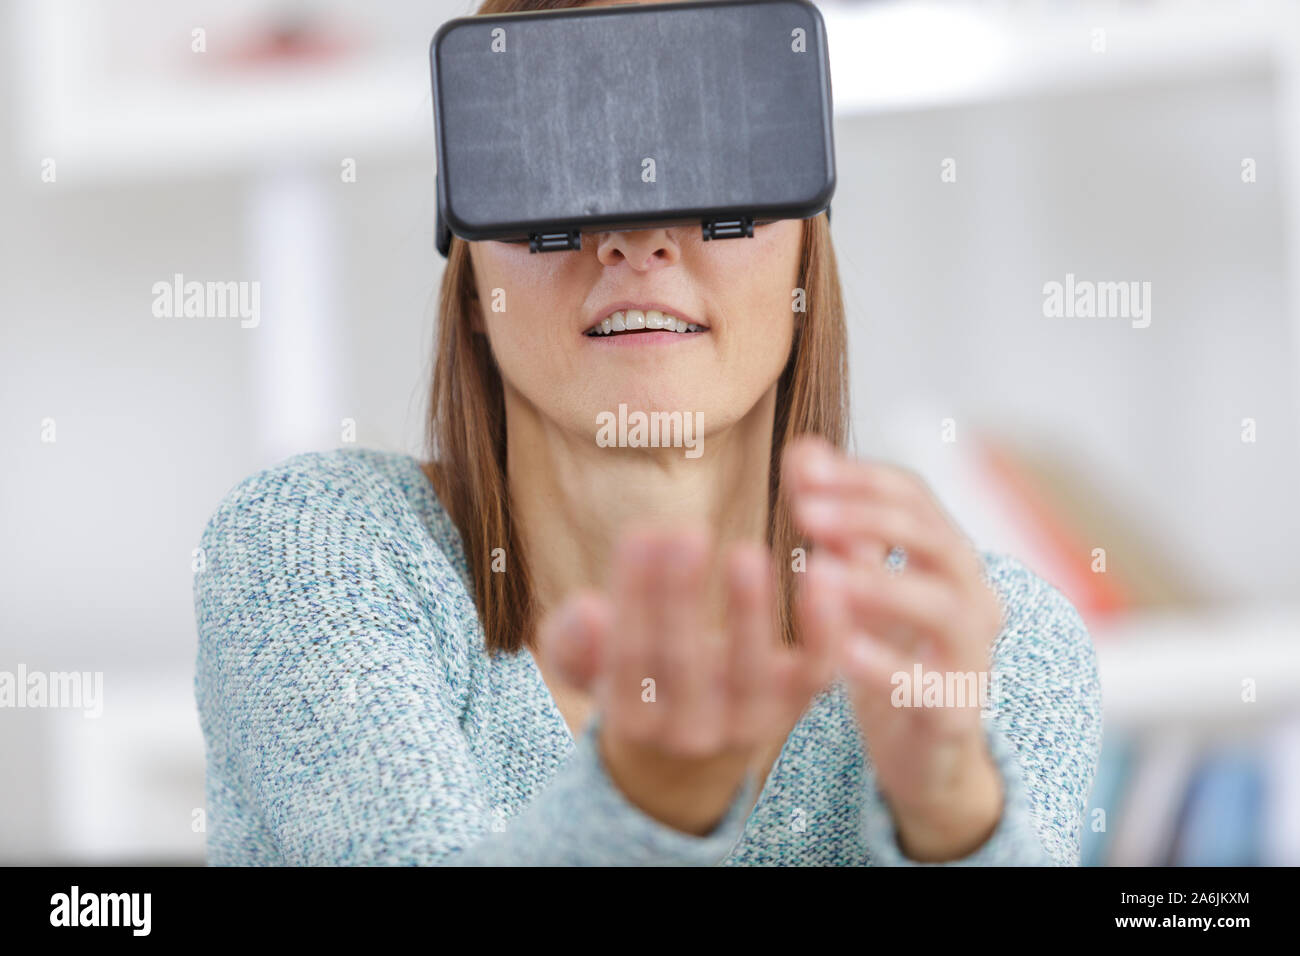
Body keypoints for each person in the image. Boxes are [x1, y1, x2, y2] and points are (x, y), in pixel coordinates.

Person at [192, 0, 1101, 867]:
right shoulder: (316, 549)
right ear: (471, 279)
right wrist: (644, 806)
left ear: (803, 257)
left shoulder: (988, 645)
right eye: (560, 166)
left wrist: (952, 819)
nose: (638, 238)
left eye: (710, 165)